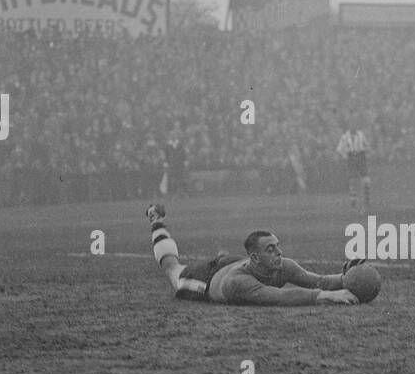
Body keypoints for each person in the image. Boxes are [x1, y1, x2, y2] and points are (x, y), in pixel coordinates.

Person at [146, 203, 359, 305]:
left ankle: (222, 257)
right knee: (172, 269)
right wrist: (328, 295)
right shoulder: (238, 282)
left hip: (233, 263)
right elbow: (278, 297)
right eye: (271, 249)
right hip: (206, 279)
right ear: (256, 257)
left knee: (225, 260)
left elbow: (318, 281)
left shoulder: (282, 264)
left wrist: (346, 277)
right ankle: (156, 221)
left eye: (277, 246)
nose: (279, 252)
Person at [336, 118, 372, 212]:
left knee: (366, 180)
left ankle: (367, 200)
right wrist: (345, 156)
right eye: (352, 124)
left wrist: (366, 152)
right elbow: (339, 149)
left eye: (355, 124)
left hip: (361, 156)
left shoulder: (361, 134)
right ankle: (353, 201)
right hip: (351, 157)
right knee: (352, 180)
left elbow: (367, 145)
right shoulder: (345, 136)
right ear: (349, 125)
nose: (354, 126)